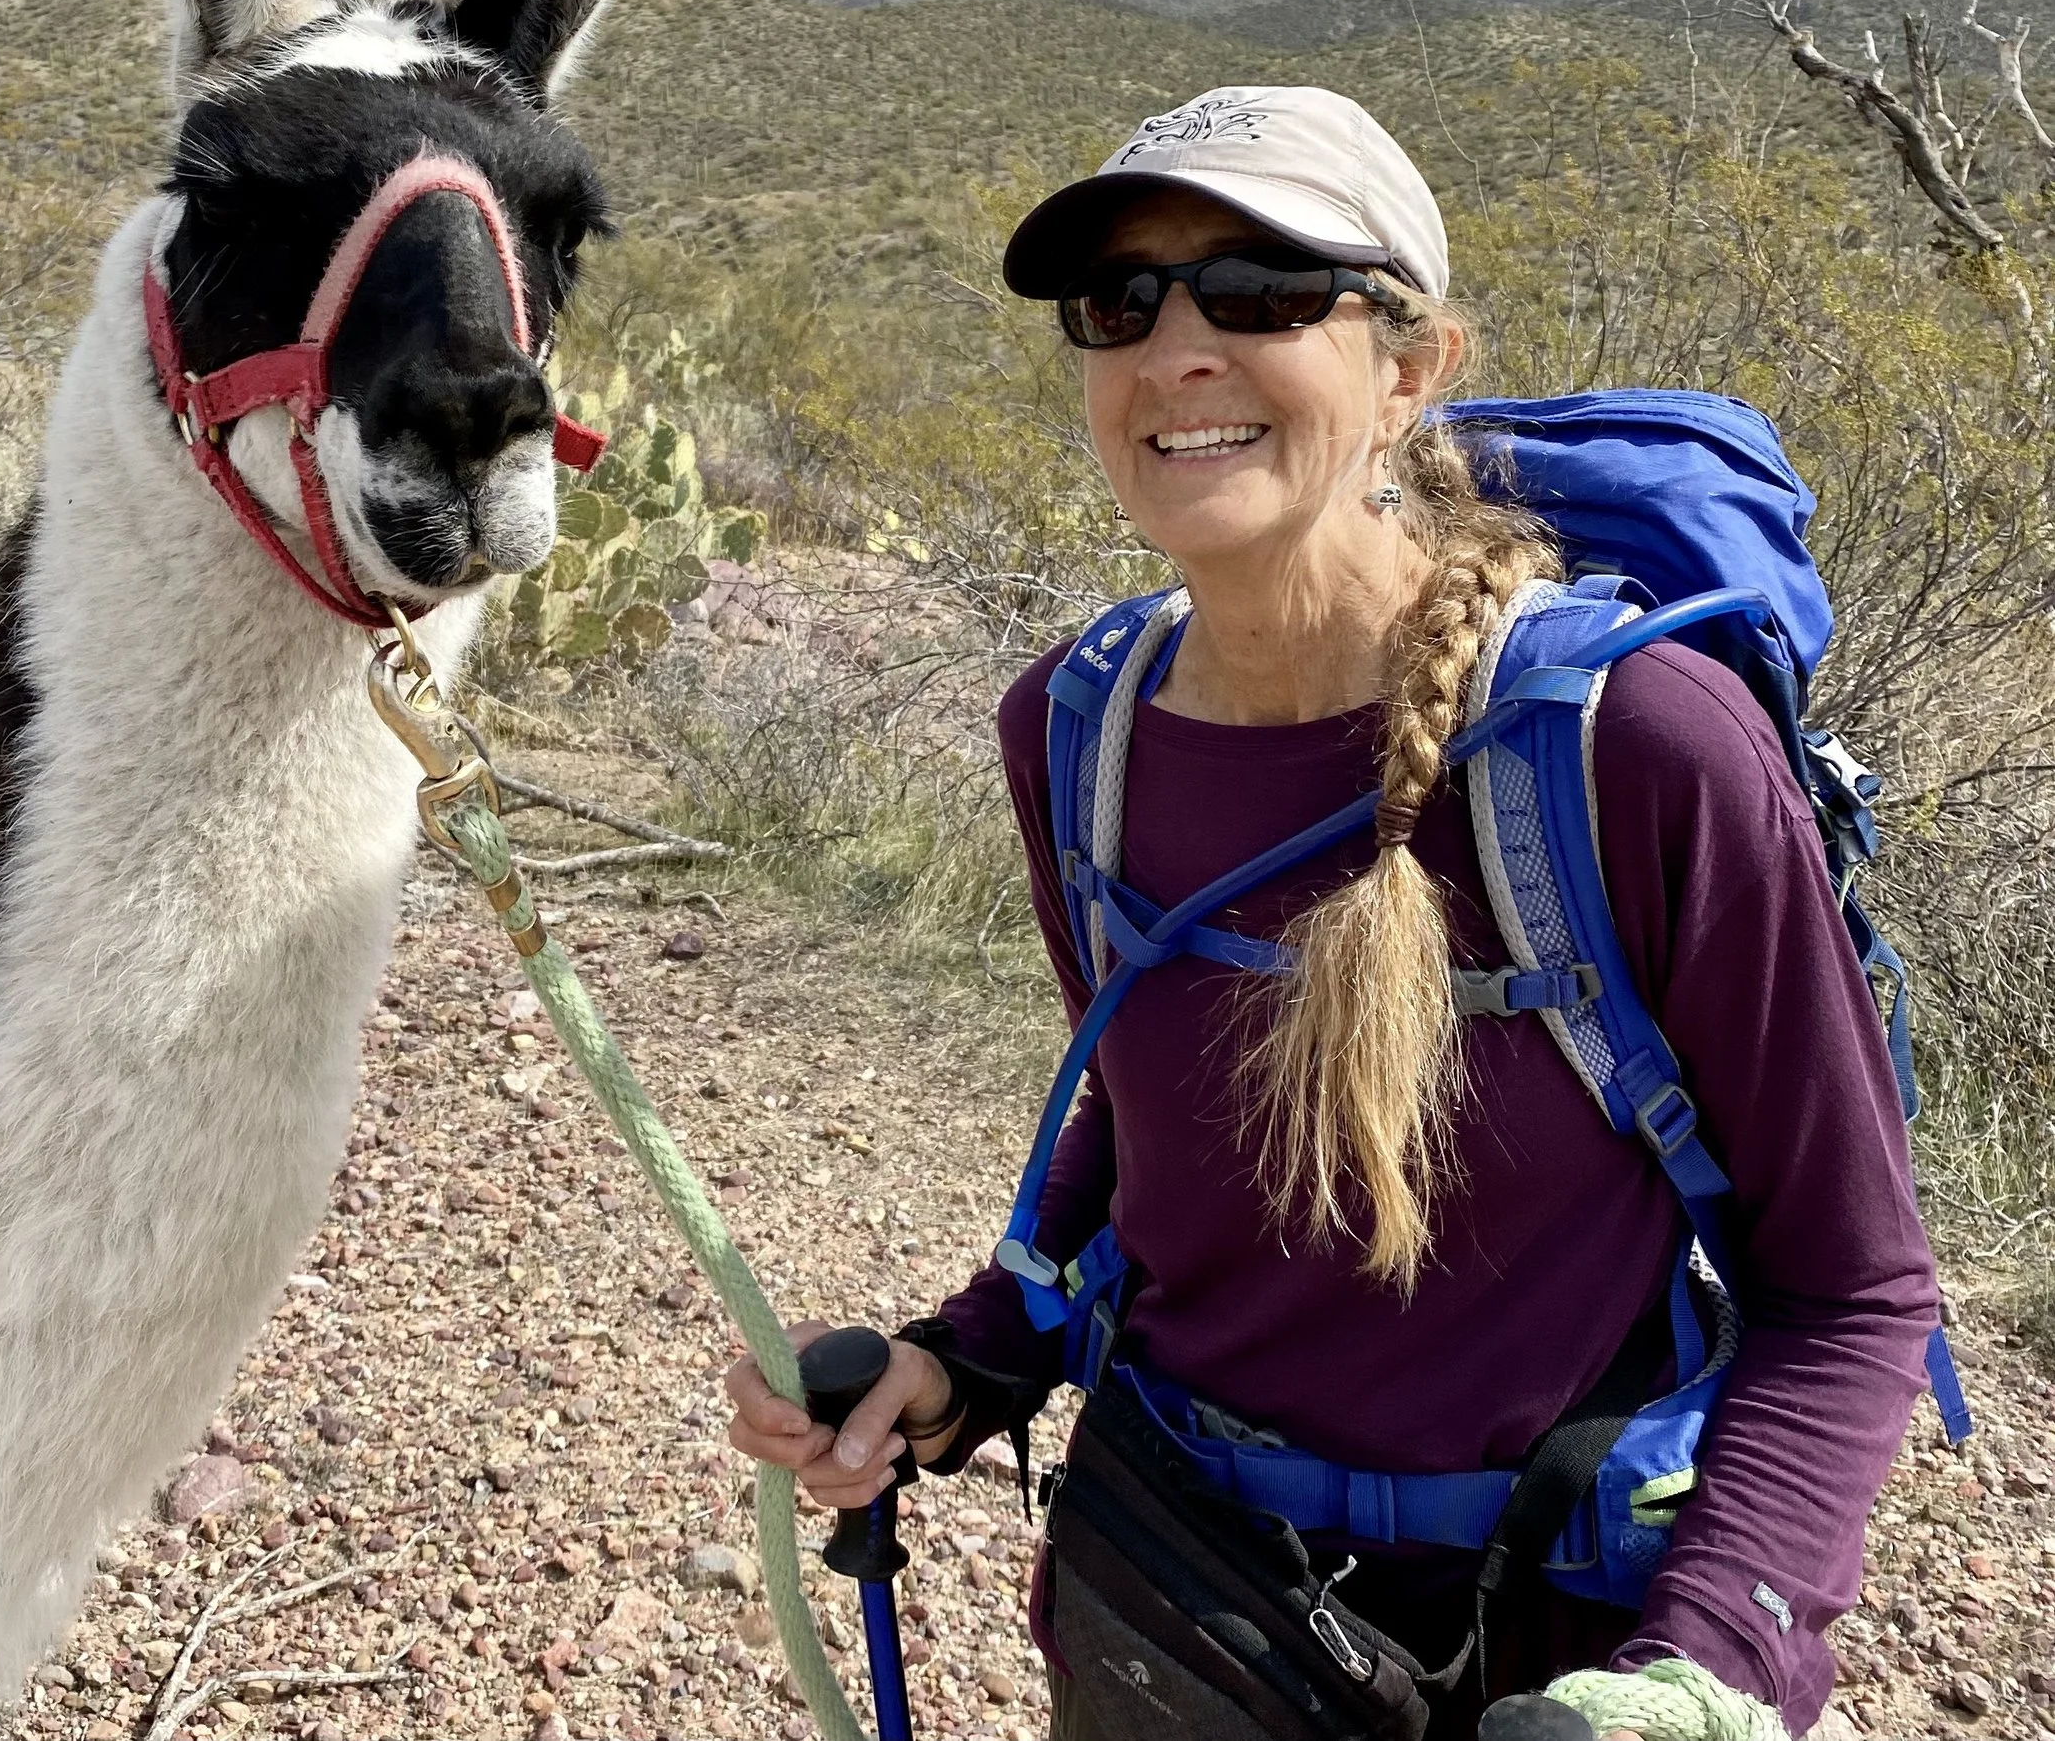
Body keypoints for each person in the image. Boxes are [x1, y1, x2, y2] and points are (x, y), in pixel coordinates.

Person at [723, 87, 1937, 1740]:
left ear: (1414, 364)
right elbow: (1148, 1134)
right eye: (1122, 301)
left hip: (1560, 1628)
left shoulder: (1634, 750)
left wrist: (1712, 1667)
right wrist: (976, 1353)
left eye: (1263, 289)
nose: (1177, 348)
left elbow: (1849, 1291)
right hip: (1179, 1592)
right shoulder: (1074, 734)